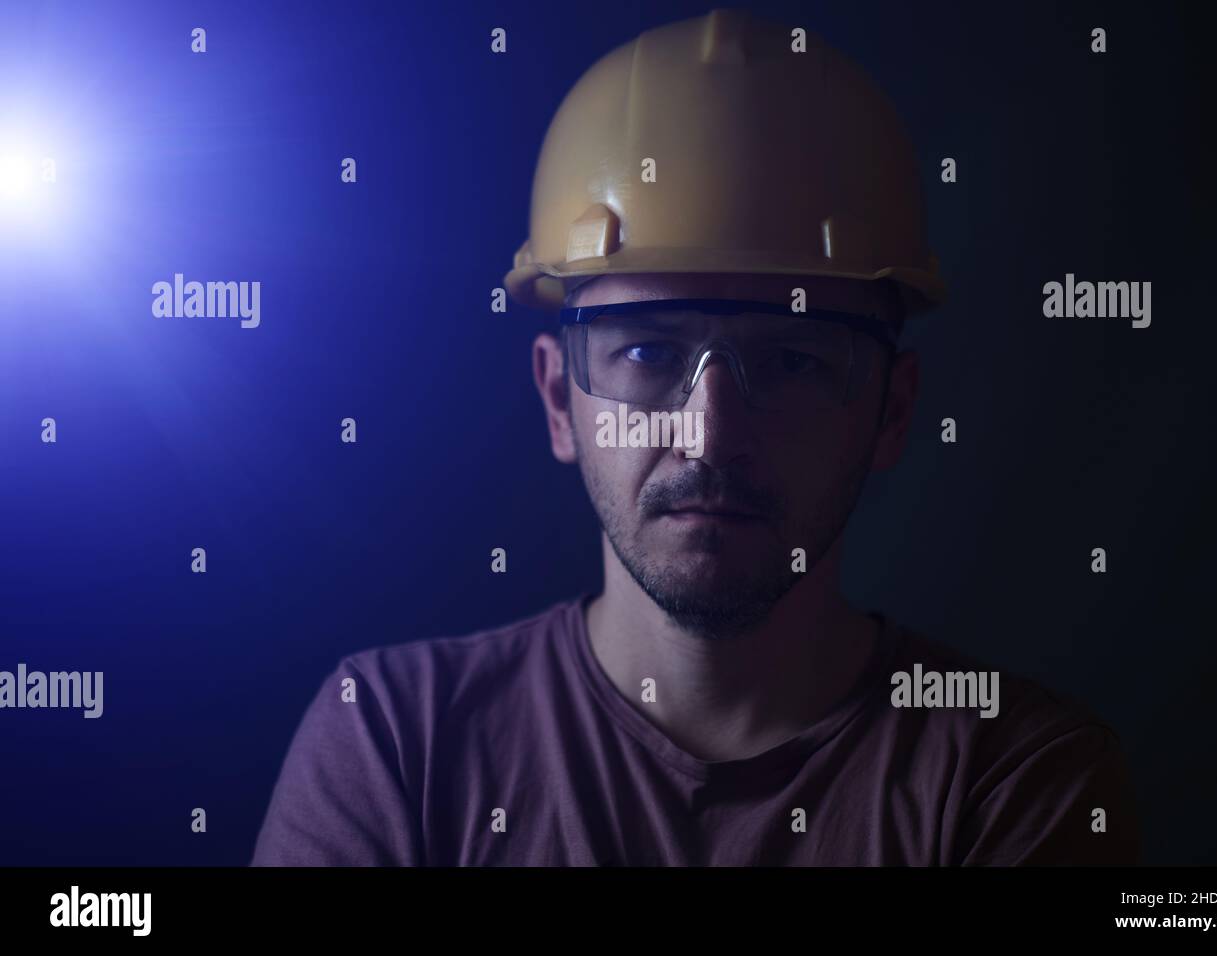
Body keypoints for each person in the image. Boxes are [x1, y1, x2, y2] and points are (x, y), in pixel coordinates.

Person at [251, 9, 1139, 866]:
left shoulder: (1013, 779)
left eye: (790, 361)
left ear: (891, 411)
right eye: (646, 350)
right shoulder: (397, 742)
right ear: (560, 399)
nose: (710, 434)